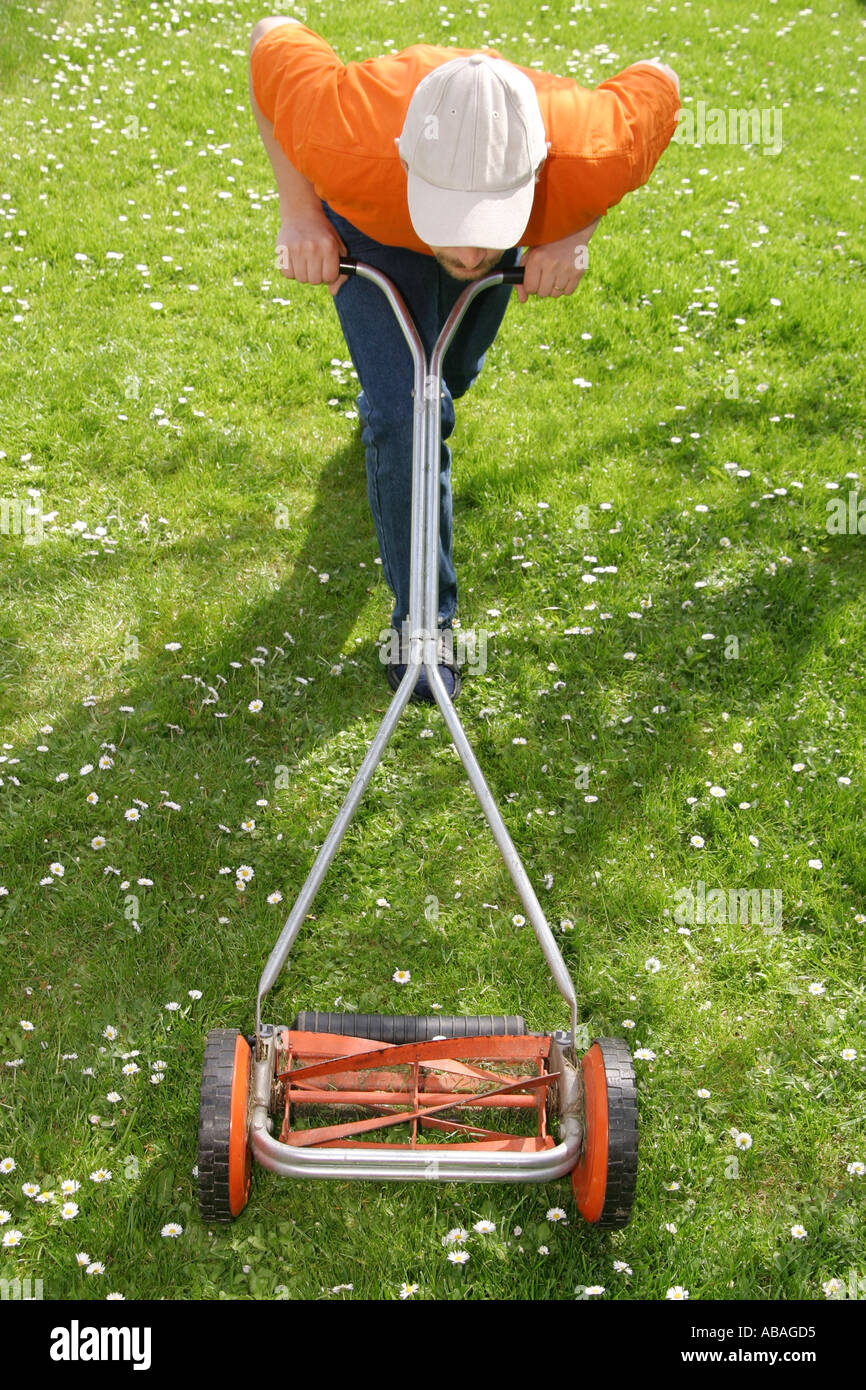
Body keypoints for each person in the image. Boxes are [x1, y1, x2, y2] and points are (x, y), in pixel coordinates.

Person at [248, 18, 679, 701]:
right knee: (409, 414)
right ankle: (425, 629)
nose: (473, 252)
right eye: (456, 221)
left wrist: (573, 229)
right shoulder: (343, 129)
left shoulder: (592, 149)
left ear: (538, 166)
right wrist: (300, 213)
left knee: (448, 380)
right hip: (374, 217)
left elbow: (663, 80)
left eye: (487, 223)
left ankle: (397, 421)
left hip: (518, 200)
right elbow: (269, 34)